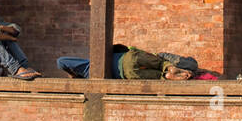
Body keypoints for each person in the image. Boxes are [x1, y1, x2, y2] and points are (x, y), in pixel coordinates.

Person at [57, 45, 219, 81]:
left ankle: (168, 75)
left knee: (158, 77)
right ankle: (169, 68)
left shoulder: (88, 75)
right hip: (128, 57)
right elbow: (61, 62)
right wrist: (72, 73)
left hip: (129, 75)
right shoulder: (87, 66)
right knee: (161, 60)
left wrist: (73, 77)